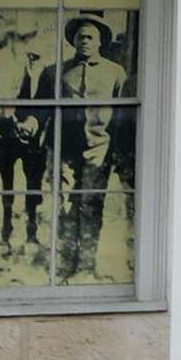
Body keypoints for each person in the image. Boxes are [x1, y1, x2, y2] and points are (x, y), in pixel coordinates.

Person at [49, 14, 126, 282]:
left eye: (90, 37)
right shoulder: (59, 71)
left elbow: (122, 117)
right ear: (73, 41)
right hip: (67, 151)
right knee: (67, 206)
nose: (84, 42)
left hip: (99, 150)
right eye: (80, 37)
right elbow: (45, 109)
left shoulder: (115, 73)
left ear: (100, 42)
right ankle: (66, 262)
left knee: (91, 206)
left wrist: (116, 152)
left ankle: (86, 266)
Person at [0, 11, 48, 257]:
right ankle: (6, 232)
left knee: (33, 182)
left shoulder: (41, 68)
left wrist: (32, 122)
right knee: (6, 181)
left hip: (33, 132)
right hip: (6, 128)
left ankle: (32, 232)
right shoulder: (2, 58)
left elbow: (44, 98)